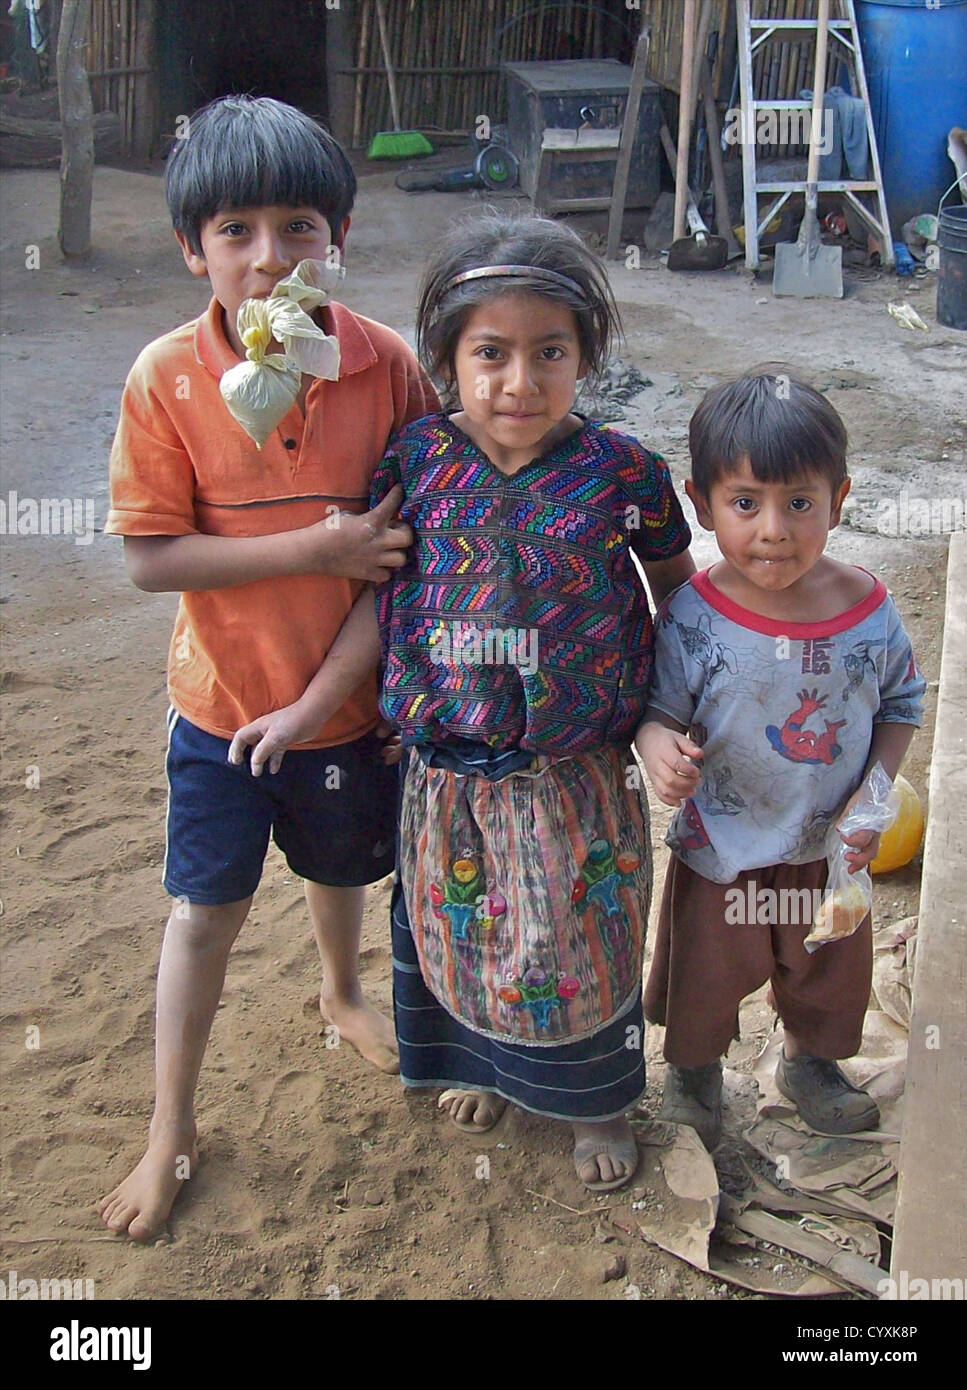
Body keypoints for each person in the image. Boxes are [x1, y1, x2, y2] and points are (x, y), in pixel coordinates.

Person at [234, 210, 695, 1190]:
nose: (518, 381)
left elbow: (677, 591)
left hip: (574, 773)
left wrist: (667, 710)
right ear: (446, 358)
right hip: (446, 772)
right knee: (465, 924)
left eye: (549, 352)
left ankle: (595, 1104)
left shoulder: (623, 474)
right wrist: (310, 708)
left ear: (588, 357)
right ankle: (485, 1067)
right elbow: (379, 601)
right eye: (490, 352)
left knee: (582, 936)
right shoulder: (419, 465)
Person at [98, 95, 438, 1240]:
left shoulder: (382, 365)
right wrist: (317, 546)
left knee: (341, 868)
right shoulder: (166, 379)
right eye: (234, 230)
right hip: (222, 708)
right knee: (203, 912)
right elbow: (152, 560)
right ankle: (170, 1128)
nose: (267, 257)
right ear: (191, 248)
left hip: (346, 709)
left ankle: (341, 991)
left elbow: (413, 553)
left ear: (336, 237)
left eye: (299, 227)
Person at [635, 370, 925, 1149]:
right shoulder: (693, 616)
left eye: (799, 502)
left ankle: (811, 1065)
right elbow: (659, 708)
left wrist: (871, 798)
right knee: (704, 975)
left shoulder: (867, 608)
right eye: (744, 503)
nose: (773, 529)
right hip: (721, 849)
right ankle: (695, 1074)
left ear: (839, 498)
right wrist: (658, 745)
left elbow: (900, 705)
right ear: (700, 505)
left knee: (827, 972)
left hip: (830, 849)